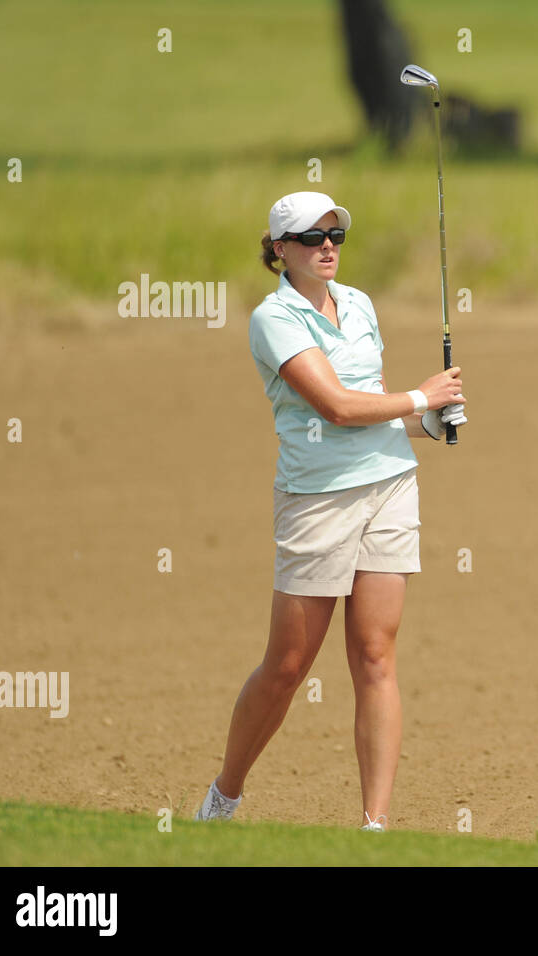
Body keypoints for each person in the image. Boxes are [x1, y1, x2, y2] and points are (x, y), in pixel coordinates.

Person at [194, 191, 467, 832]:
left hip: (391, 487)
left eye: (336, 236)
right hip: (318, 502)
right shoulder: (275, 318)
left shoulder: (360, 304)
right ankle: (223, 798)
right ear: (279, 248)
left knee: (376, 656)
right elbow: (338, 408)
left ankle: (375, 827)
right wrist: (417, 395)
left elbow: (374, 414)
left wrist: (430, 421)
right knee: (288, 667)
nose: (327, 247)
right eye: (312, 237)